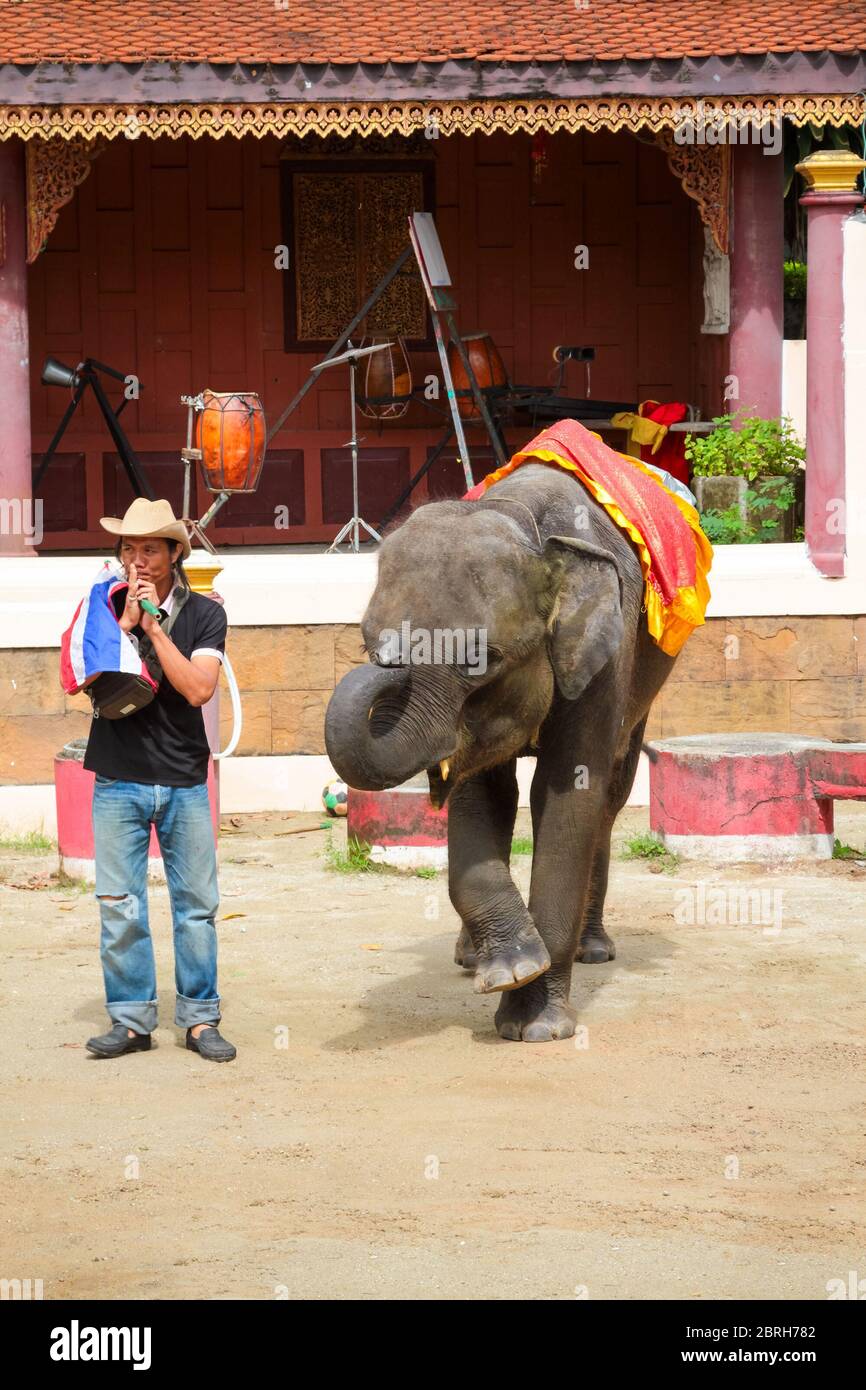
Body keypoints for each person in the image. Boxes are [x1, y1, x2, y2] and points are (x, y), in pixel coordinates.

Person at [80, 498, 236, 1063]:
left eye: (150, 548)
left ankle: (199, 1020)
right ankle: (129, 1021)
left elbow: (198, 689)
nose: (137, 559)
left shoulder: (206, 614)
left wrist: (155, 628)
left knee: (195, 906)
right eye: (129, 548)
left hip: (183, 779)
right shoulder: (102, 604)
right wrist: (123, 625)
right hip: (117, 776)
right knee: (119, 904)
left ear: (174, 554)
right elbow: (88, 679)